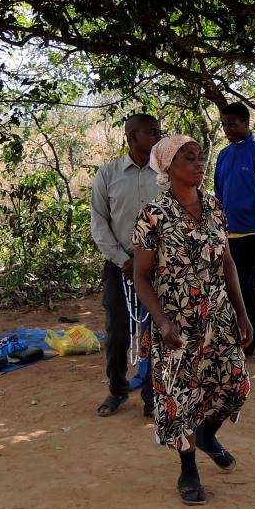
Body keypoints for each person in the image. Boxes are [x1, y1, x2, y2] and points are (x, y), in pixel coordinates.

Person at [131, 134, 253, 506]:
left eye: (200, 157)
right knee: (180, 397)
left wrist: (242, 313)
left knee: (236, 384)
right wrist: (162, 322)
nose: (199, 163)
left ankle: (207, 435)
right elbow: (140, 276)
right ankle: (188, 469)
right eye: (189, 158)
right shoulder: (153, 214)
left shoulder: (214, 205)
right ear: (168, 167)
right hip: (176, 322)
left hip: (218, 315)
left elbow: (228, 263)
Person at [91, 113, 165, 417]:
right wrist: (124, 260)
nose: (158, 138)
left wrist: (151, 258)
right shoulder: (108, 173)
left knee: (155, 332)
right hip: (119, 265)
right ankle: (117, 390)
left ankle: (152, 397)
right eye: (152, 133)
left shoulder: (166, 173)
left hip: (159, 266)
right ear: (132, 137)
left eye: (159, 132)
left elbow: (175, 218)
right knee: (118, 332)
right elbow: (99, 222)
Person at [214, 103, 255, 363]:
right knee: (233, 285)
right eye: (224, 124)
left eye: (232, 124)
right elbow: (218, 194)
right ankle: (247, 338)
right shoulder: (223, 155)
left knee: (247, 283)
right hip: (229, 233)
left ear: (246, 123)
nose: (227, 129)